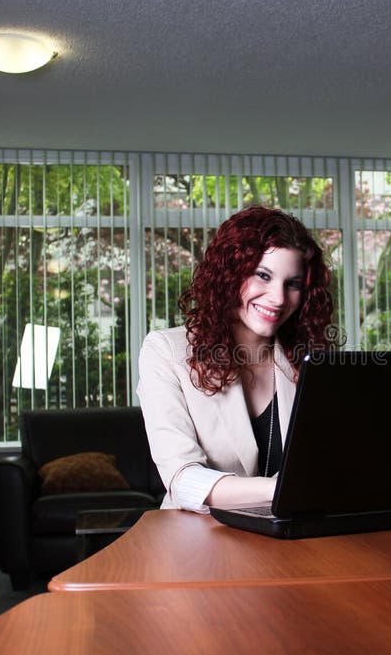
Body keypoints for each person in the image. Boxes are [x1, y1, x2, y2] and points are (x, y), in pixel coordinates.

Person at [137, 205, 334, 512]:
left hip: (292, 541)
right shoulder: (164, 351)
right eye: (263, 275)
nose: (278, 298)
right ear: (230, 274)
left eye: (292, 284)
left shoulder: (311, 361)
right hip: (198, 540)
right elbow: (184, 479)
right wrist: (282, 489)